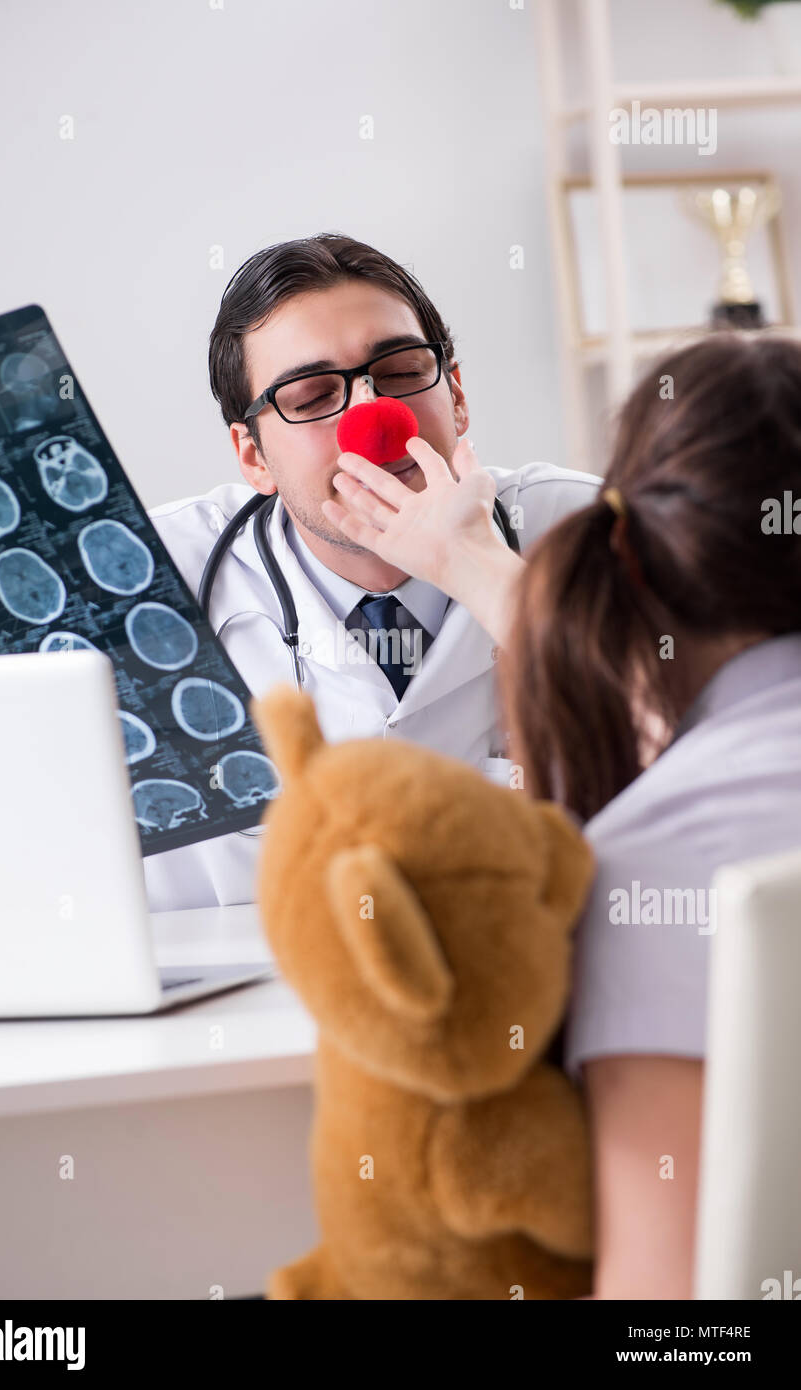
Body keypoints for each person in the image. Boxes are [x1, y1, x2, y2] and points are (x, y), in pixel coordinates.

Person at [322, 332, 801, 1299]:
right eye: (314, 392)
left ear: (617, 545)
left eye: (400, 369)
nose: (366, 407)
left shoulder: (648, 869)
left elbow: (668, 1320)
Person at [146, 233, 600, 910]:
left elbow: (713, 759)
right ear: (253, 458)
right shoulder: (149, 579)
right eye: (309, 396)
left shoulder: (588, 529)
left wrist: (475, 567)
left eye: (399, 372)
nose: (372, 421)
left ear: (456, 395)